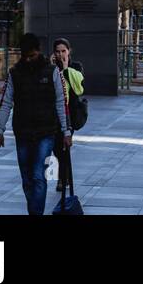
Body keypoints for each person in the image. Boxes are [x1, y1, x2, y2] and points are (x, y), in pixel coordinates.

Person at [0, 33, 71, 215]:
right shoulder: (15, 73)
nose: (29, 60)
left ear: (38, 52)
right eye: (25, 56)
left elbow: (61, 102)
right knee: (27, 179)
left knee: (38, 175)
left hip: (46, 132)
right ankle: (34, 210)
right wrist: (0, 130)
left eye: (32, 56)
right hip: (23, 132)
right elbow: (6, 102)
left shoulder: (52, 71)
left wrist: (66, 132)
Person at [51, 38, 86, 194]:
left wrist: (65, 68)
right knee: (56, 148)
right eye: (57, 51)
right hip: (53, 114)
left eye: (63, 51)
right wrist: (52, 67)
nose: (60, 54)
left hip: (69, 114)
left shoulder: (75, 67)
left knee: (64, 146)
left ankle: (62, 179)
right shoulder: (50, 68)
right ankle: (64, 177)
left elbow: (78, 88)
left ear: (69, 51)